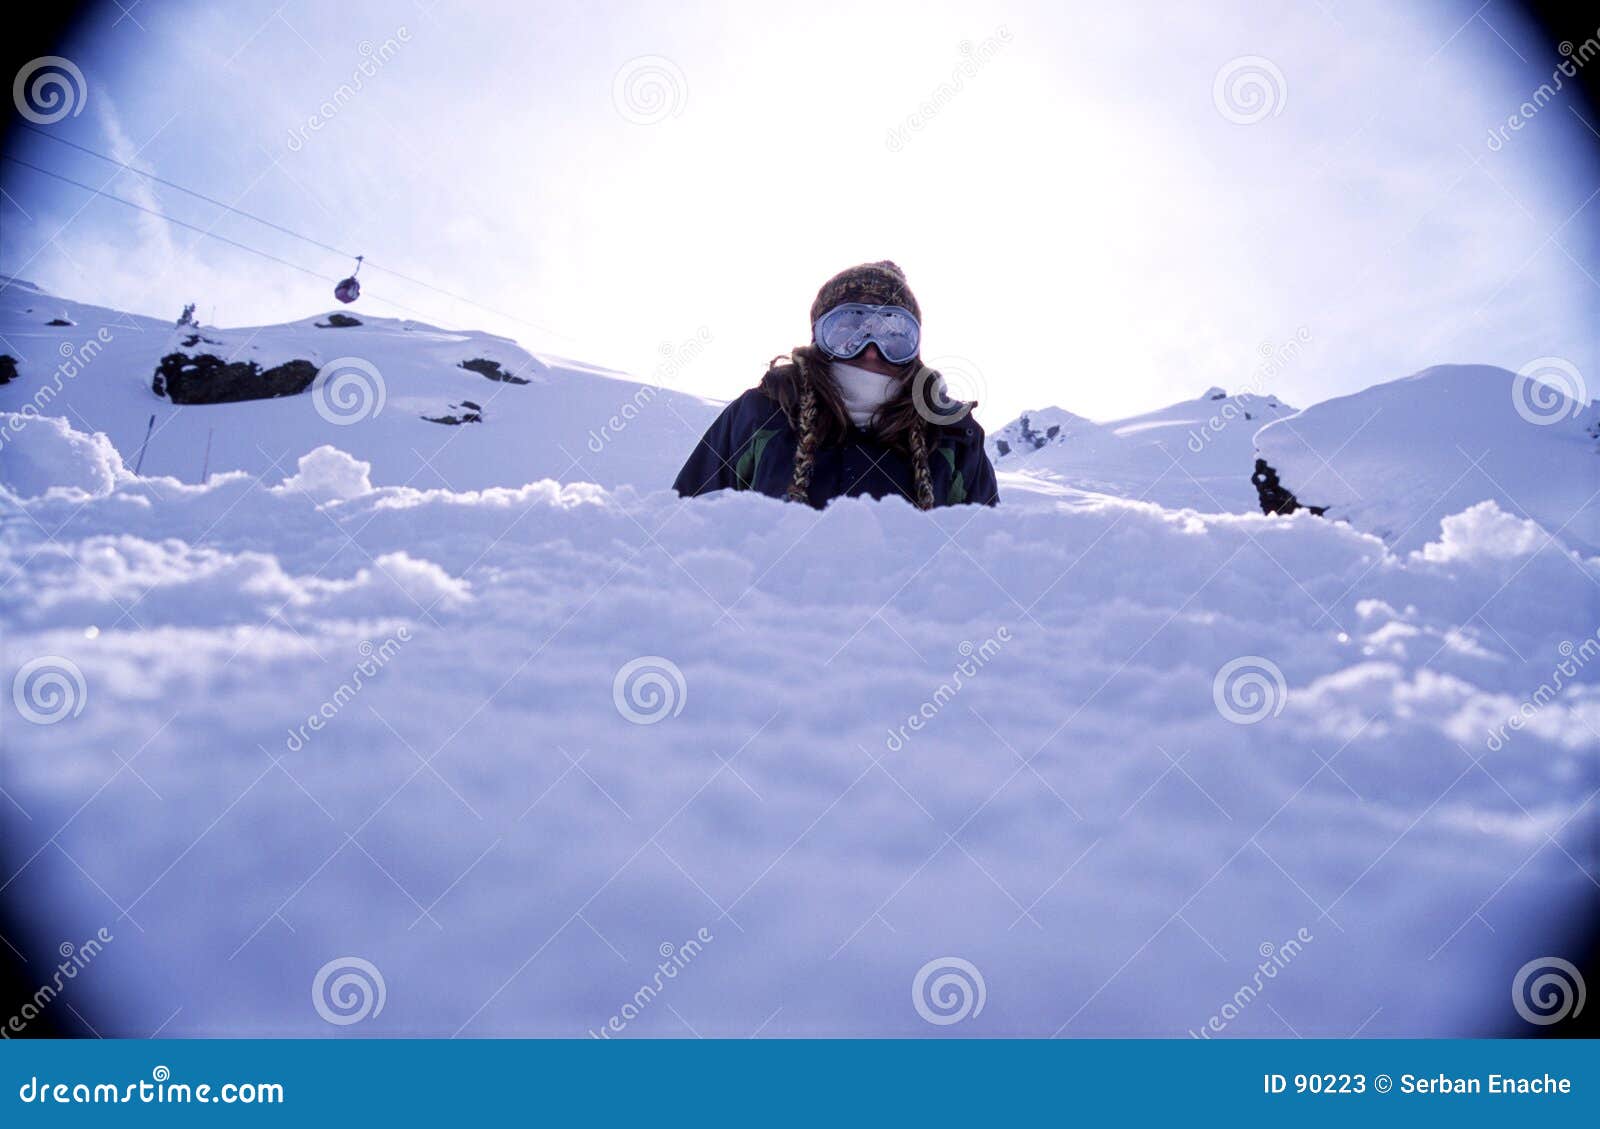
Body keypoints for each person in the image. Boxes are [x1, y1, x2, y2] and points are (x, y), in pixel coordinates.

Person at [672, 261, 999, 510]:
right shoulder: (761, 414)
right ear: (819, 339)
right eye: (849, 330)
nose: (871, 350)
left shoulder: (953, 436)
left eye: (894, 335)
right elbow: (685, 527)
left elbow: (981, 561)